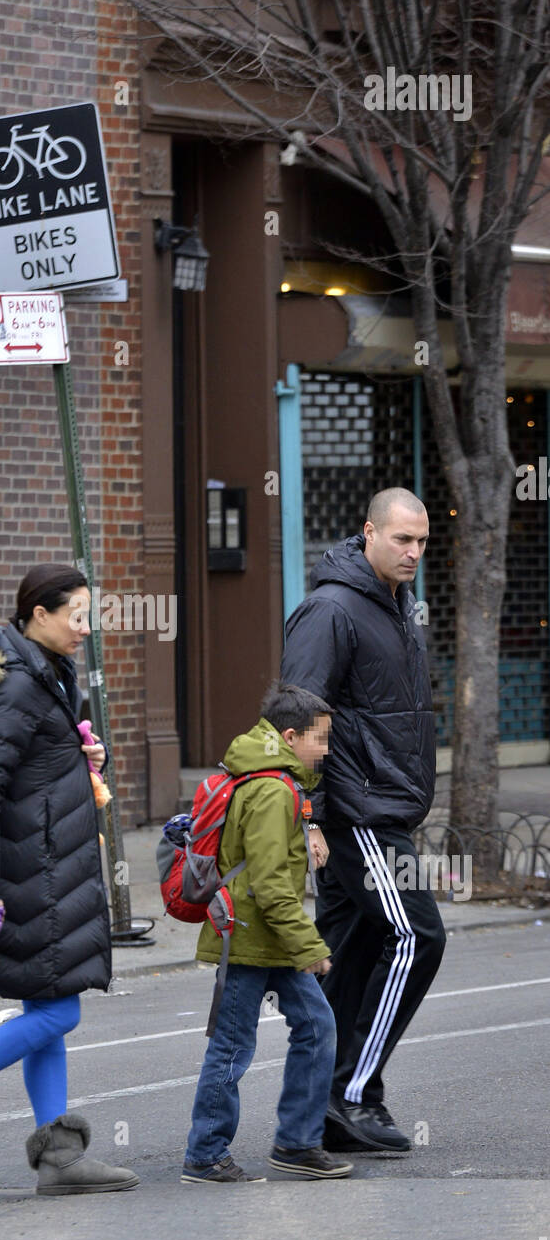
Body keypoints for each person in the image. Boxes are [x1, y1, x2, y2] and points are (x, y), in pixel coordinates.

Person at [0, 563, 139, 1196]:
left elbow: (31, 771)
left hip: (51, 868)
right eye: (77, 614)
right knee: (58, 1014)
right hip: (30, 876)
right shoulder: (18, 688)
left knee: (47, 1005)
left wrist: (79, 752)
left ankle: (59, 1160)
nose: (86, 628)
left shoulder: (44, 677)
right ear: (39, 615)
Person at [280, 487, 446, 1153]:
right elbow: (294, 715)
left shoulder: (395, 605)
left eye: (422, 542)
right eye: (401, 539)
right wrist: (309, 817)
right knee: (415, 937)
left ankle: (322, 1106)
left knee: (346, 957)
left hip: (384, 810)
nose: (412, 553)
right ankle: (354, 1092)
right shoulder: (331, 608)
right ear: (367, 532)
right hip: (357, 813)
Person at [182, 682, 352, 1183]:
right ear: (292, 735)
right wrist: (310, 948)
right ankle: (205, 1153)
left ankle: (297, 1143)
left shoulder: (276, 781)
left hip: (268, 937)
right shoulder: (271, 789)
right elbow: (271, 882)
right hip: (250, 939)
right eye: (320, 740)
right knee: (233, 1047)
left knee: (318, 1028)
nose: (325, 750)